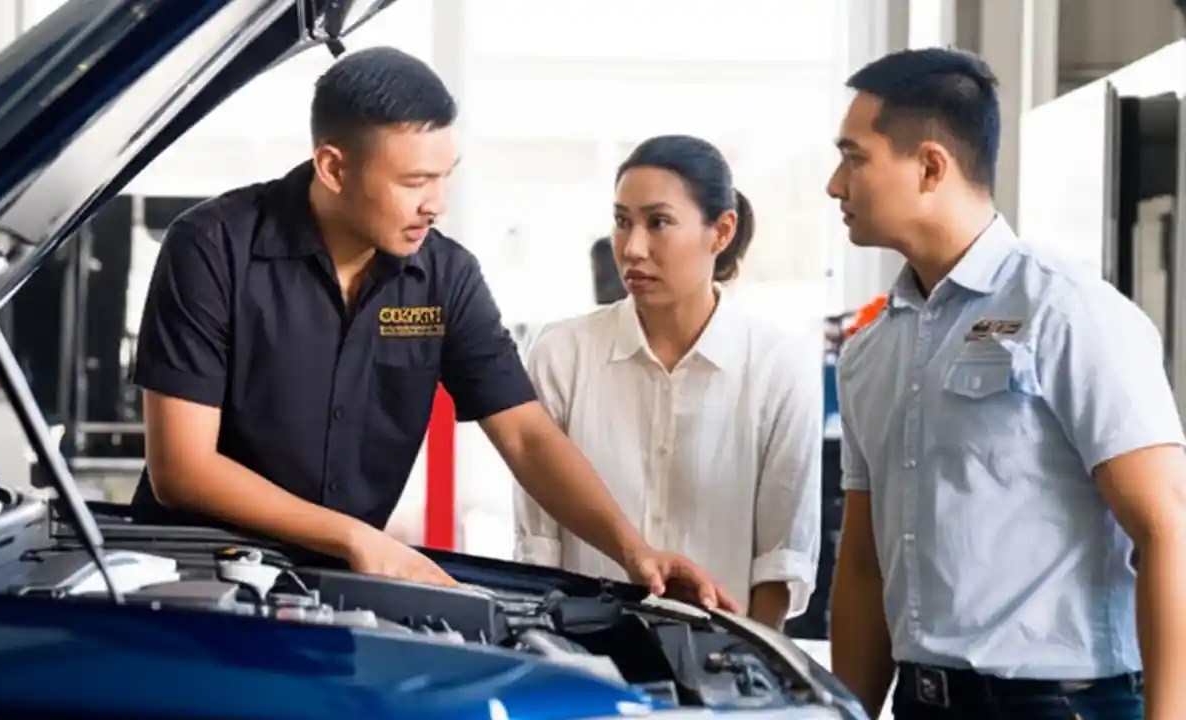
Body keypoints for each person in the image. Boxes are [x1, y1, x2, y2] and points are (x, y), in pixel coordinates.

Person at [130, 47, 738, 612]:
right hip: (190, 586)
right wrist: (355, 536)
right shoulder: (212, 248)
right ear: (334, 167)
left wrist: (632, 550)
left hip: (333, 588)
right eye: (415, 182)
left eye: (445, 176)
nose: (437, 203)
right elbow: (182, 467)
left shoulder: (444, 276)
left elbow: (525, 434)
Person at [826, 47, 1186, 720]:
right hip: (922, 703)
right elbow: (865, 567)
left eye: (854, 157)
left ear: (931, 166)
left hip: (1061, 705)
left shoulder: (1067, 310)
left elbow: (1168, 526)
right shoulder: (870, 351)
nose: (834, 186)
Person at [515, 135, 823, 629]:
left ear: (721, 232)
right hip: (580, 653)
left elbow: (780, 563)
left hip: (722, 668)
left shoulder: (777, 366)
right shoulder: (561, 353)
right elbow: (538, 546)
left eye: (658, 222)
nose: (633, 248)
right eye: (621, 222)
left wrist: (751, 684)